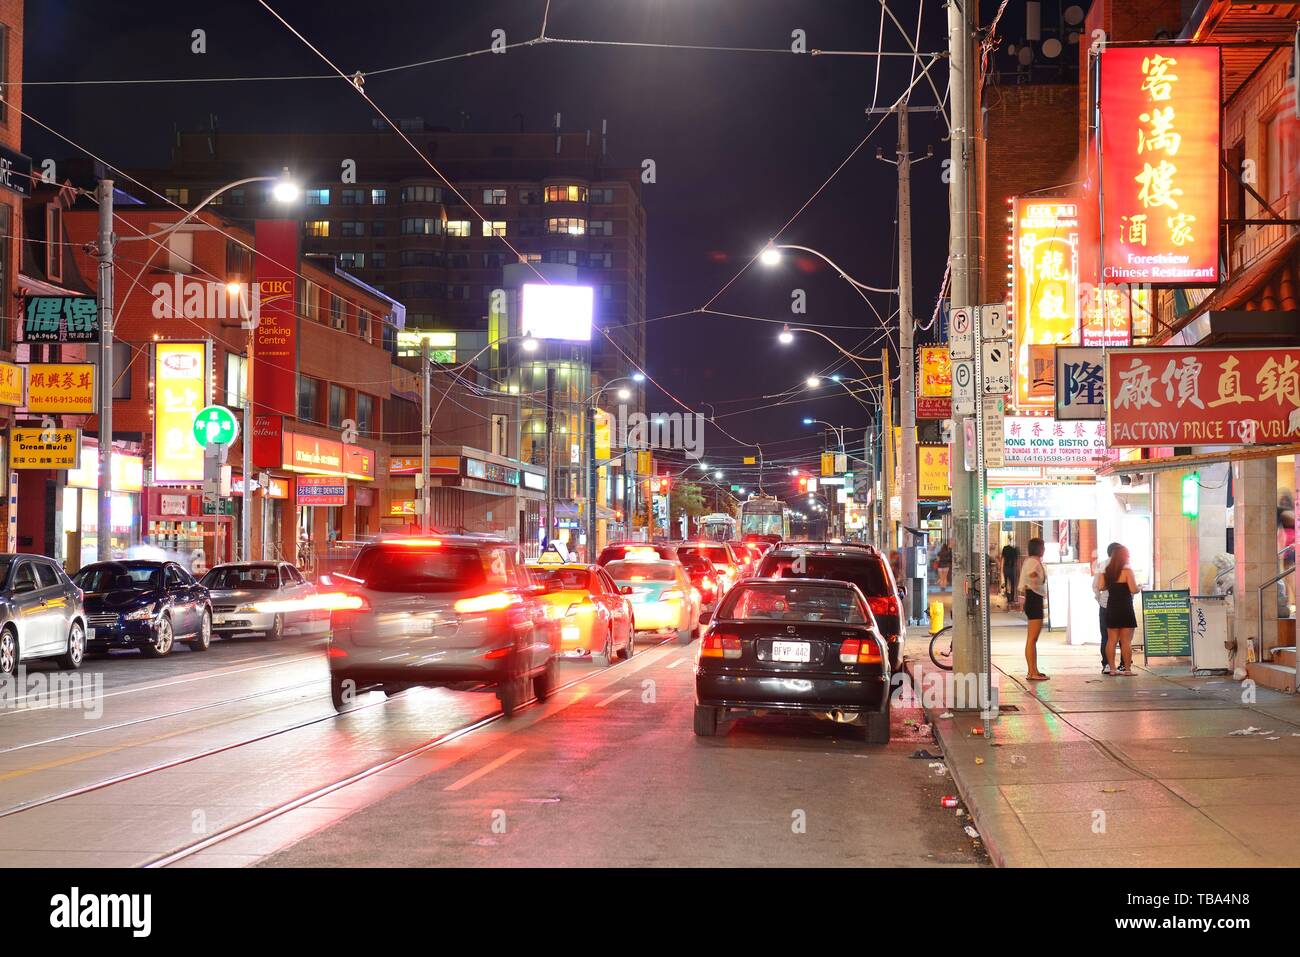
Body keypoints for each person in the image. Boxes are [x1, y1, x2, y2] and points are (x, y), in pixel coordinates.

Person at [1103, 544, 1141, 676]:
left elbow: (1101, 586)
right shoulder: (1127, 571)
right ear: (1123, 557)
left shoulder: (1107, 571)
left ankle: (1112, 669)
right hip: (1125, 607)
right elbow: (1133, 589)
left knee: (1111, 639)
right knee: (1126, 641)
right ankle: (1127, 669)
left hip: (1112, 607)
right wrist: (1139, 587)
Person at [1019, 538, 1049, 680]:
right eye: (1043, 547)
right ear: (1038, 548)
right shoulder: (1033, 562)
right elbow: (1030, 575)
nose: (1044, 549)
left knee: (1033, 638)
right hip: (1033, 599)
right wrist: (1036, 579)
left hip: (1033, 599)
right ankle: (1032, 671)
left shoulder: (1032, 560)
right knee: (1032, 639)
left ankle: (1034, 670)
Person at [1092, 543, 1120, 674]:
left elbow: (1096, 586)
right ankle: (1124, 664)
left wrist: (1100, 600)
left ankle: (1107, 665)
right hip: (1121, 606)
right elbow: (1131, 589)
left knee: (1105, 636)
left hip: (1105, 605)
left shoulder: (1101, 565)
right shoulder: (1124, 566)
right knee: (1123, 637)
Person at [1001, 541, 1020, 605]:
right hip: (1012, 569)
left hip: (1006, 568)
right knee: (1012, 584)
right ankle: (1012, 598)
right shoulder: (1014, 550)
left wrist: (1001, 568)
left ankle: (1008, 598)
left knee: (1006, 583)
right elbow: (1016, 560)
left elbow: (1003, 559)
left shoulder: (1005, 548)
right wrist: (1017, 569)